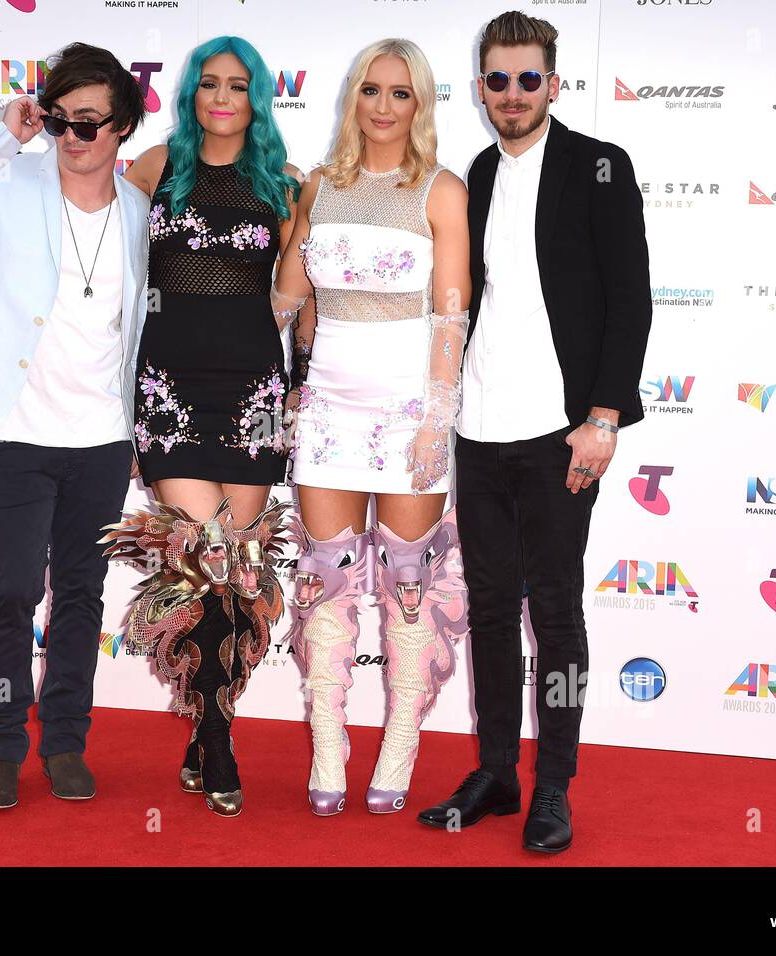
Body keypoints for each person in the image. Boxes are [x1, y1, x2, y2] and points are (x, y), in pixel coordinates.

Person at [416, 12, 651, 853]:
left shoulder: (599, 167)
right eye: (495, 79)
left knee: (554, 612)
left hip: (561, 435)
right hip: (478, 432)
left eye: (527, 78)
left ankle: (553, 784)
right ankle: (495, 773)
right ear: (479, 87)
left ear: (553, 83)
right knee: (486, 608)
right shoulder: (471, 175)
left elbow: (630, 301)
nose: (510, 94)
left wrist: (603, 416)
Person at [0, 43, 150, 811]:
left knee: (80, 594)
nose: (72, 136)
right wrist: (2, 135)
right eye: (61, 120)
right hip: (15, 432)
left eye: (89, 123)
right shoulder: (10, 179)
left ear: (122, 128)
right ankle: (3, 747)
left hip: (102, 438)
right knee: (9, 594)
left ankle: (67, 741)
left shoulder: (141, 211)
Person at [103, 36, 301, 818]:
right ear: (190, 94)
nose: (222, 97)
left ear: (257, 99)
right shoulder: (154, 169)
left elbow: (303, 296)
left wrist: (303, 389)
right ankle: (219, 741)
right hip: (171, 388)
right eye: (210, 84)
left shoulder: (284, 185)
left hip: (253, 390)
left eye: (238, 86)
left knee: (240, 576)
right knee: (202, 563)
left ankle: (205, 721)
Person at [272, 38, 472, 816]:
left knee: (410, 586)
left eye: (401, 94)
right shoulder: (321, 183)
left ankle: (401, 738)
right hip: (328, 402)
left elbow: (450, 314)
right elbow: (290, 295)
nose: (383, 107)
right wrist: (298, 217)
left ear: (420, 105)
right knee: (325, 580)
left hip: (407, 405)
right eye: (371, 92)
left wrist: (437, 417)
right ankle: (328, 740)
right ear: (352, 99)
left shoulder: (440, 191)